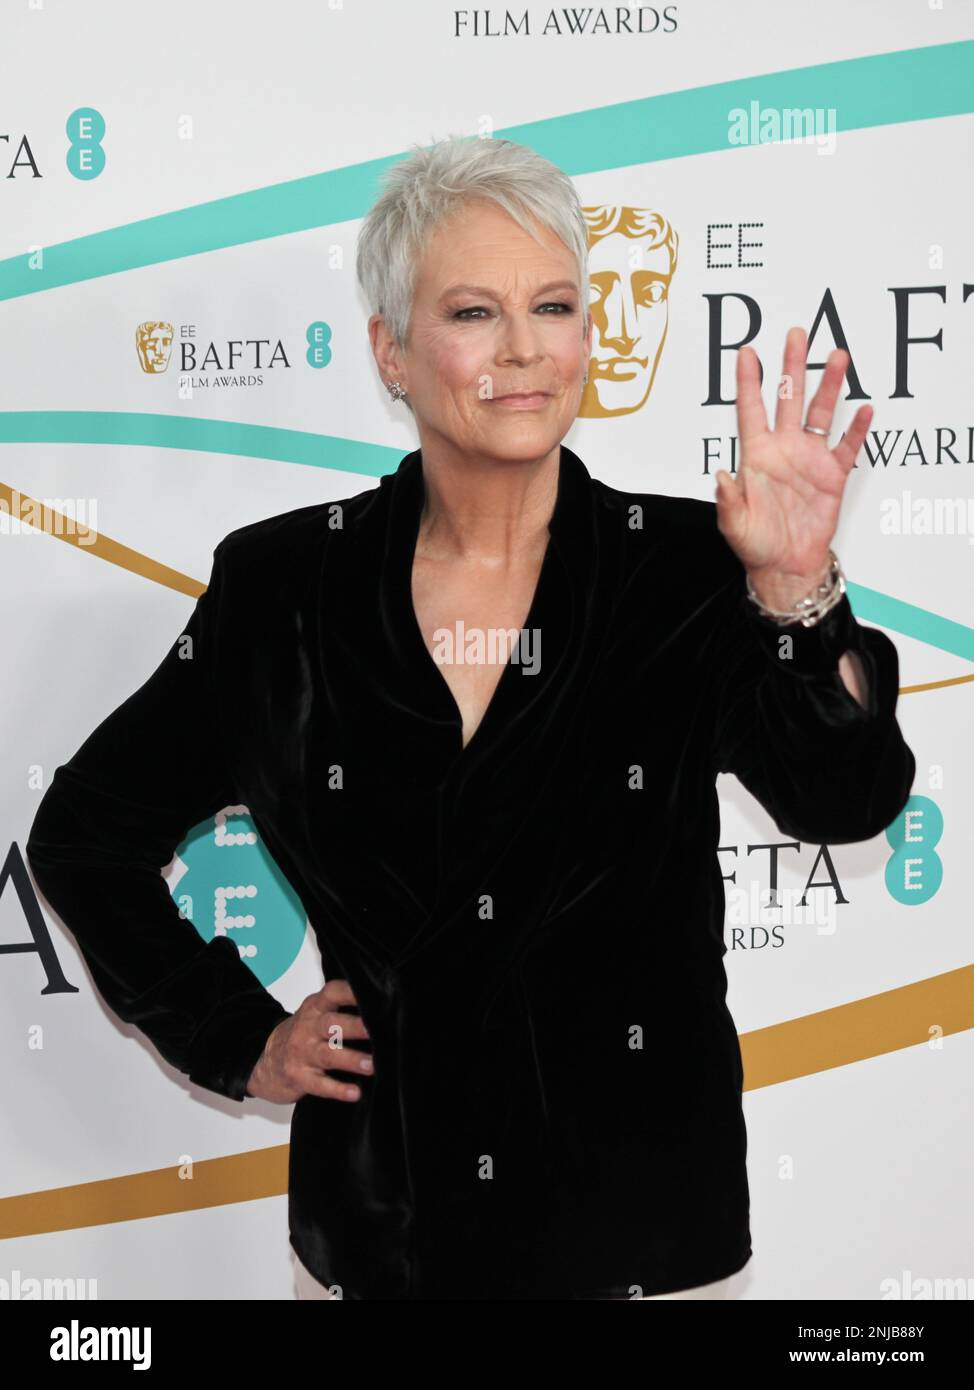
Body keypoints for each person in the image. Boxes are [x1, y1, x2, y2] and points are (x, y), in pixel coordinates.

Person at [26, 135, 916, 1302]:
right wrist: (239, 1034)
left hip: (647, 1248)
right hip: (387, 1241)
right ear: (389, 351)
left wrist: (795, 595)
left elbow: (844, 796)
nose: (520, 351)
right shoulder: (286, 589)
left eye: (551, 306)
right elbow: (83, 836)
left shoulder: (686, 570)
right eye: (470, 312)